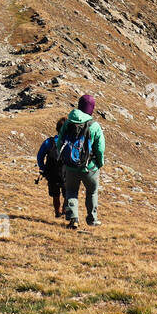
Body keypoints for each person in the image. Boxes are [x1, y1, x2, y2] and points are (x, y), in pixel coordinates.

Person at [55, 93, 105, 229]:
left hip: (71, 166)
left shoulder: (68, 122)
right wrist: (99, 163)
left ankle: (73, 219)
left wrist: (64, 158)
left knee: (71, 191)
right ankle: (92, 219)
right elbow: (100, 148)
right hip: (90, 167)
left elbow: (60, 141)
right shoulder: (94, 125)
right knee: (92, 192)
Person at [35, 117, 67, 218]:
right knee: (68, 195)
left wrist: (43, 168)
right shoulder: (70, 143)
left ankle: (57, 212)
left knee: (55, 195)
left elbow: (40, 156)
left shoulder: (49, 142)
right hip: (67, 174)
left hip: (52, 174)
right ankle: (65, 210)